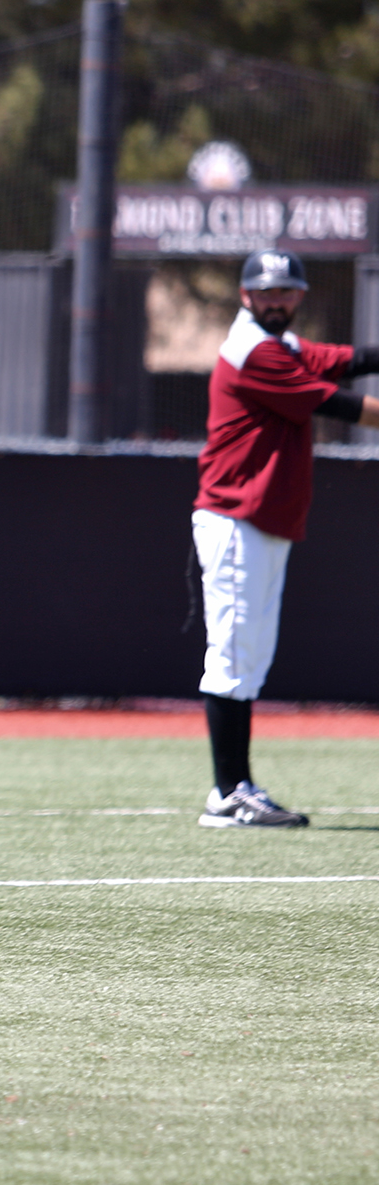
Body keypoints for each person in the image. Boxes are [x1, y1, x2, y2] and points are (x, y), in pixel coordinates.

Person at [192, 250, 379, 828]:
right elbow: (339, 403)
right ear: (245, 295)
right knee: (232, 656)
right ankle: (228, 794)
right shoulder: (254, 351)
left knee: (249, 658)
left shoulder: (282, 346)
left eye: (287, 291)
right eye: (266, 291)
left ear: (298, 296)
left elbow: (345, 361)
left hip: (262, 522)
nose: (277, 300)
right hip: (235, 518)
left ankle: (237, 787)